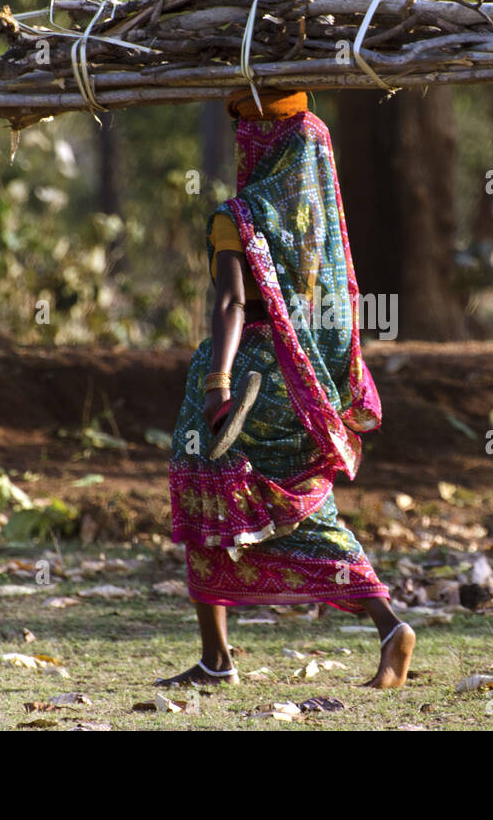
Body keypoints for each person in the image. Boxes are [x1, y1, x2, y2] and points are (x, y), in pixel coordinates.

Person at [155, 88, 415, 689]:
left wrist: (218, 384)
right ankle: (384, 624)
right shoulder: (319, 227)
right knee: (299, 504)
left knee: (205, 493)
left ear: (259, 144)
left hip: (242, 379)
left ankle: (219, 658)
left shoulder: (237, 217)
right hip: (304, 385)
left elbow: (229, 302)